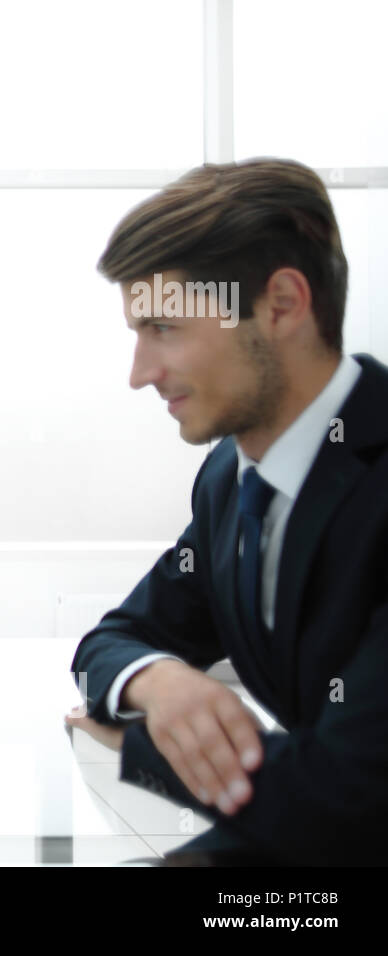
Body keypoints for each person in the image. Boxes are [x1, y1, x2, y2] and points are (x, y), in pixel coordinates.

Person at [66, 158, 388, 865]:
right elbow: (113, 641)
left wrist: (137, 742)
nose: (139, 373)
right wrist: (158, 680)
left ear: (281, 305)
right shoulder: (228, 478)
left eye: (165, 329)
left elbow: (347, 794)